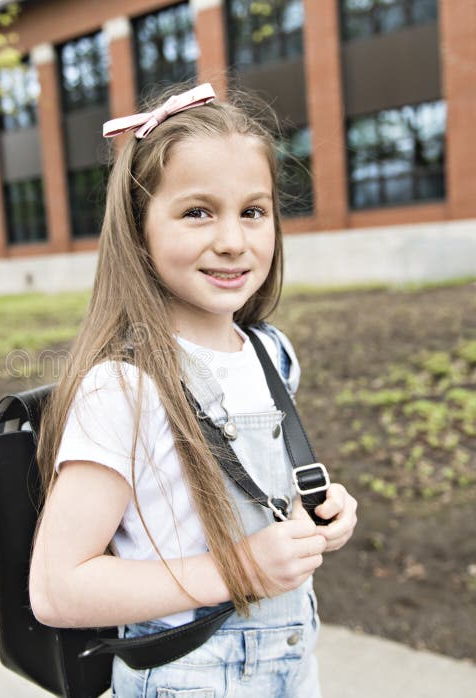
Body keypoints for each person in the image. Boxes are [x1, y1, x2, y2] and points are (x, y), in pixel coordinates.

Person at [28, 83, 358, 697]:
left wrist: (321, 506)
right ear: (138, 228)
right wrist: (241, 569)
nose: (233, 240)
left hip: (293, 664)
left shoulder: (270, 353)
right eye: (197, 211)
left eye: (253, 211)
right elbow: (57, 588)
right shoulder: (123, 388)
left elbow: (253, 488)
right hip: (191, 679)